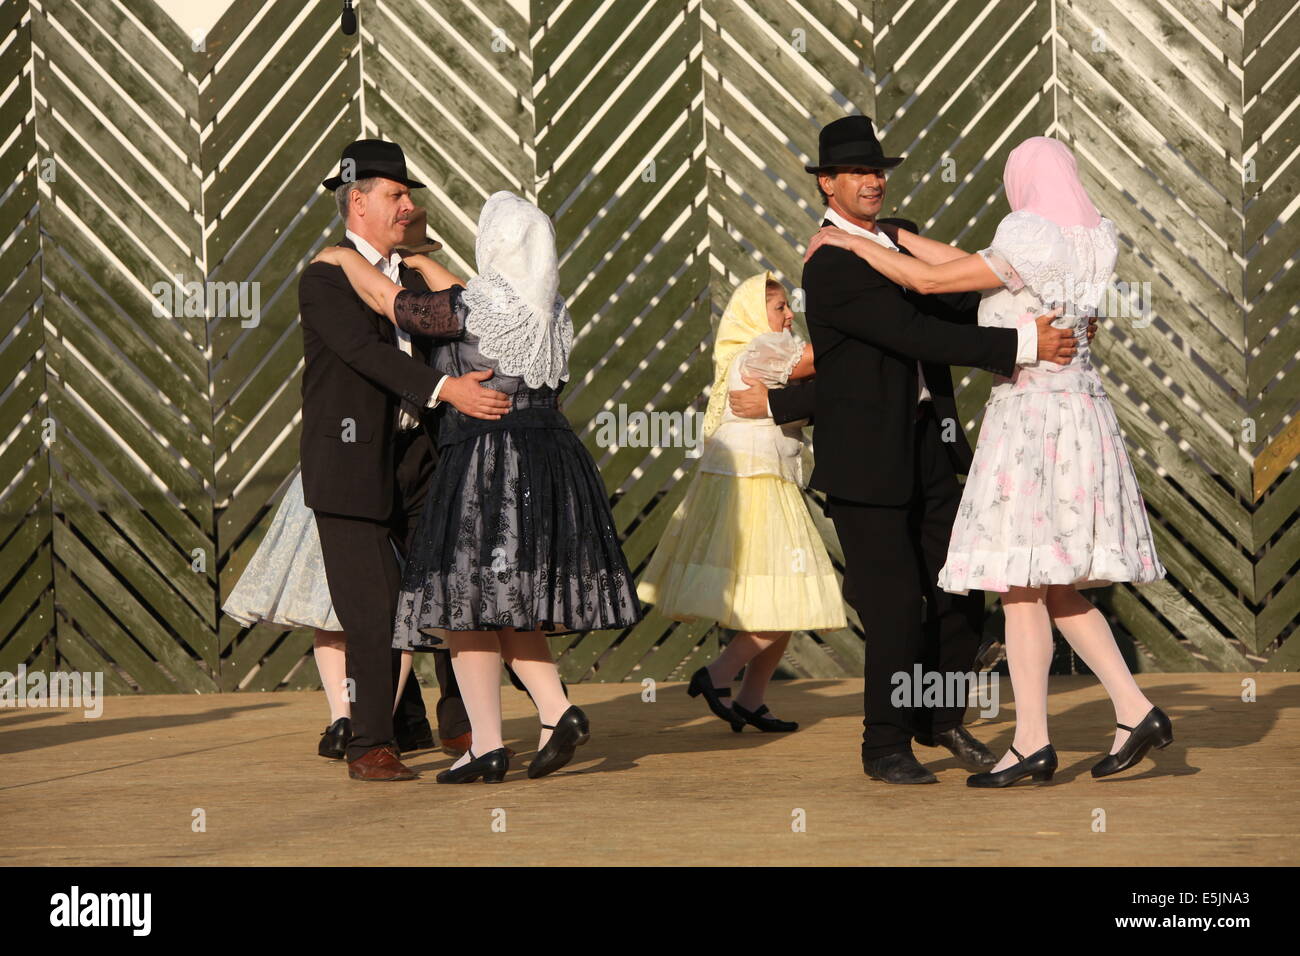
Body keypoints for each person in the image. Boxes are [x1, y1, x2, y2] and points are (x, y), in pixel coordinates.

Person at [806, 136, 1170, 787]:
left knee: (1023, 583)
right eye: (858, 170)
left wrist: (855, 241)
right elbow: (963, 270)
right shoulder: (1090, 239)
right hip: (1079, 416)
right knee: (1036, 585)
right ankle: (1102, 718)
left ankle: (1054, 732)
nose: (873, 180)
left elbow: (934, 285)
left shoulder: (1027, 231)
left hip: (1032, 424)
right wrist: (889, 237)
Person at [316, 191, 642, 784]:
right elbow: (460, 293)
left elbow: (397, 305)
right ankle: (514, 730)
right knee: (502, 602)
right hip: (550, 462)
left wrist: (343, 260)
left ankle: (518, 728)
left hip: (489, 461)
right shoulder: (547, 310)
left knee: (465, 605)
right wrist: (416, 253)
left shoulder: (472, 308)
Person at [298, 139, 510, 781]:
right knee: (374, 608)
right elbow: (367, 354)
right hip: (349, 464)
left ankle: (460, 715)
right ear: (356, 201)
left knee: (448, 582)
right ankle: (368, 743)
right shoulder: (324, 277)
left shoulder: (412, 278)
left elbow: (475, 315)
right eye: (396, 194)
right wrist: (448, 391)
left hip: (420, 455)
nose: (408, 204)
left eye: (408, 194)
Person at [637, 272, 845, 733]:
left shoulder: (757, 352)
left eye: (789, 307)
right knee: (790, 594)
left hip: (765, 479)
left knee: (781, 597)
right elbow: (818, 361)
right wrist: (865, 334)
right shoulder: (760, 350)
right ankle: (717, 674)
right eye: (779, 308)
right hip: (757, 485)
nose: (790, 315)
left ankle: (750, 700)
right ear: (755, 316)